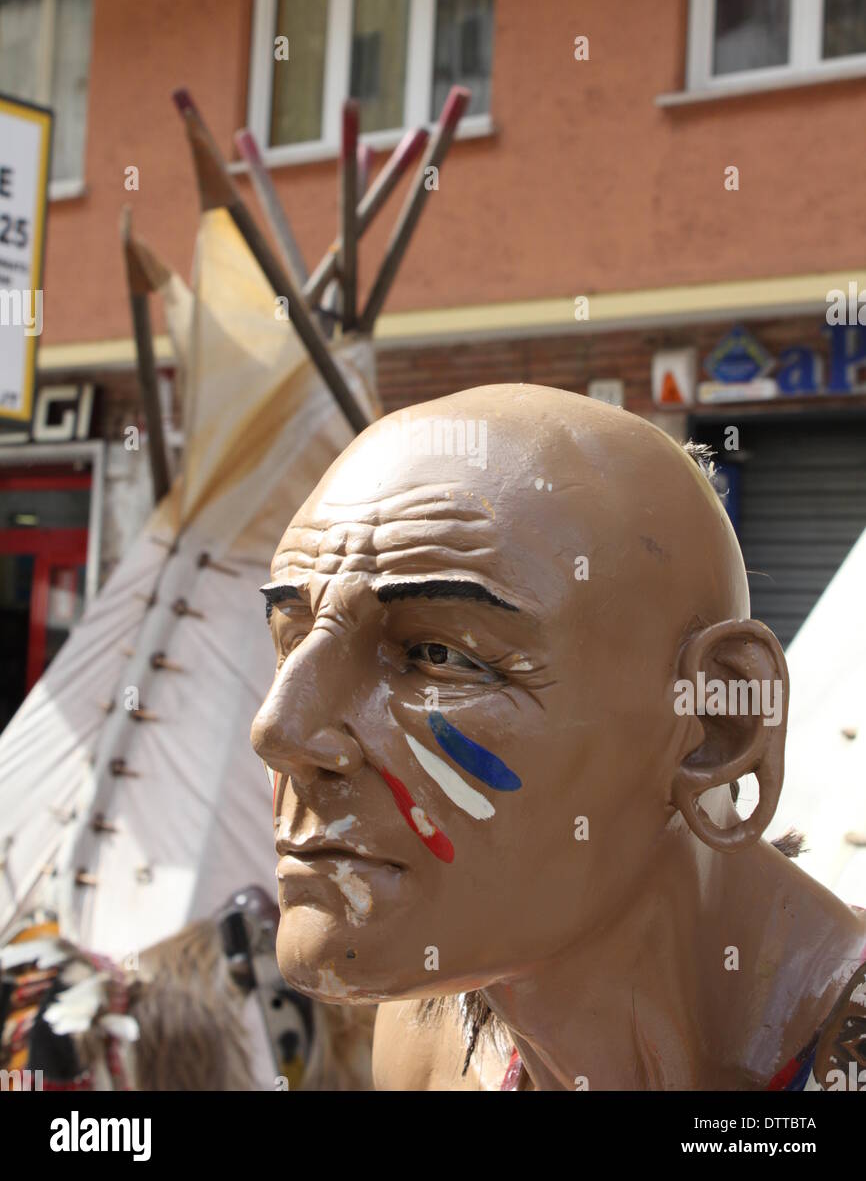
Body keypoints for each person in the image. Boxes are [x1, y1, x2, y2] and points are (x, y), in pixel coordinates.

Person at [251, 385, 866, 1091]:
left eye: (436, 654)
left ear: (718, 728)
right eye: (291, 642)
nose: (279, 730)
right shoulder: (431, 1047)